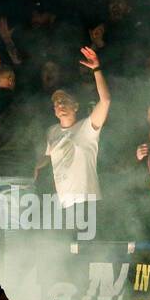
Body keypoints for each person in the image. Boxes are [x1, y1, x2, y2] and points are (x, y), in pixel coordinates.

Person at [39, 47, 111, 237]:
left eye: (64, 101)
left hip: (87, 202)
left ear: (76, 106)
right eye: (56, 103)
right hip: (64, 203)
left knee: (87, 256)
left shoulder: (87, 128)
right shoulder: (51, 132)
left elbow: (105, 101)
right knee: (68, 257)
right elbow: (44, 159)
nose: (60, 105)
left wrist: (96, 69)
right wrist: (31, 167)